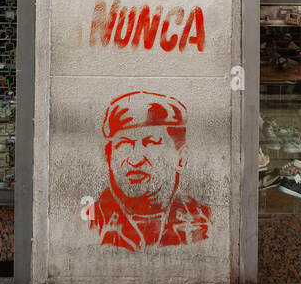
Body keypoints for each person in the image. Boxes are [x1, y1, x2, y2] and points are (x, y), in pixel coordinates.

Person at [89, 91, 211, 251]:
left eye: (151, 144)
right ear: (108, 155)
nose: (135, 159)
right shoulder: (92, 221)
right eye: (125, 145)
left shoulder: (204, 220)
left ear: (181, 158)